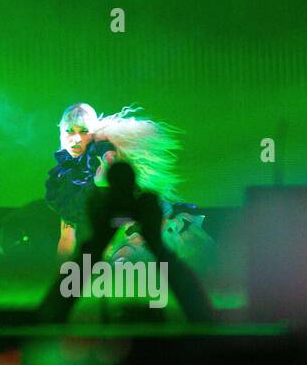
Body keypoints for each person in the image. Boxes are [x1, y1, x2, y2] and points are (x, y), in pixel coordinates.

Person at [43, 102, 210, 265]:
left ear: (93, 133)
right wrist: (60, 274)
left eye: (84, 131)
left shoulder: (104, 154)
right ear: (61, 133)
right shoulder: (64, 178)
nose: (76, 139)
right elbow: (67, 234)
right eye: (70, 131)